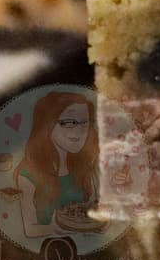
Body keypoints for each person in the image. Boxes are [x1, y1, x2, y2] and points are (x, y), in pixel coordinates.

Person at [15, 88, 100, 244]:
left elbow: (96, 209)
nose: (79, 131)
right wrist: (60, 226)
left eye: (84, 123)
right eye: (69, 123)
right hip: (43, 258)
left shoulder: (85, 165)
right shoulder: (27, 174)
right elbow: (30, 229)